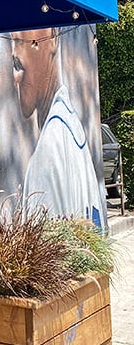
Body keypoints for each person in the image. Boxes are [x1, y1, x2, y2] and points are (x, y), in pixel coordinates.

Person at [11, 27, 105, 226]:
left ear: (53, 36)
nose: (16, 78)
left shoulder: (51, 146)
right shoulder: (71, 126)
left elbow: (46, 249)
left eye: (17, 64)